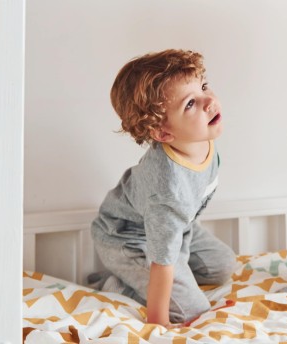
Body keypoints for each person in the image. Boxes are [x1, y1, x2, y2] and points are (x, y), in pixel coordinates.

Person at [87, 49, 237, 327]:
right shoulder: (167, 189)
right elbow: (162, 261)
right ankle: (118, 285)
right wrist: (160, 323)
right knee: (193, 310)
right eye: (190, 103)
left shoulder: (198, 138)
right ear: (164, 134)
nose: (208, 101)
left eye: (203, 87)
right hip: (129, 238)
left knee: (224, 266)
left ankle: (153, 280)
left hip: (176, 228)